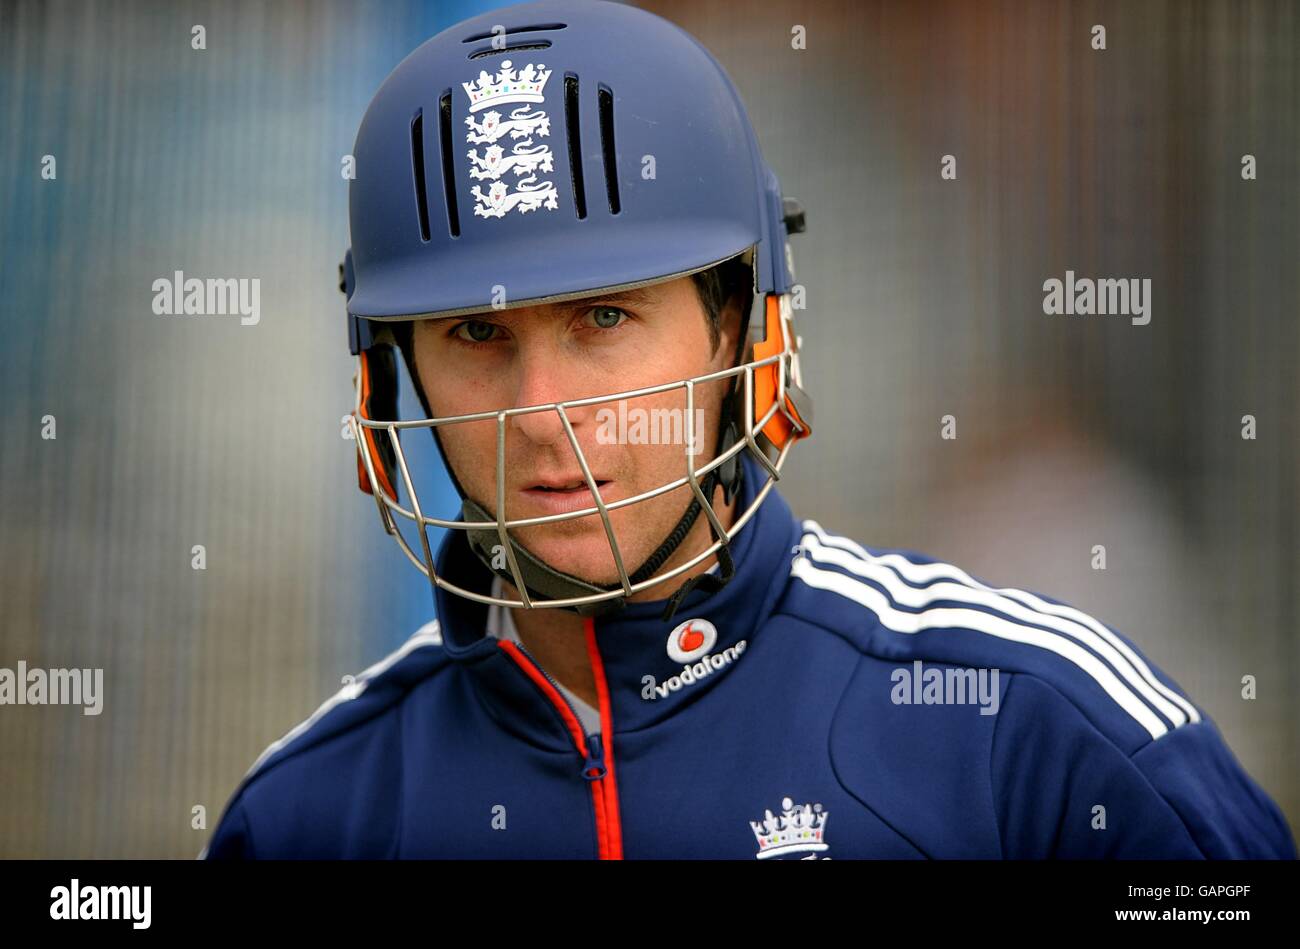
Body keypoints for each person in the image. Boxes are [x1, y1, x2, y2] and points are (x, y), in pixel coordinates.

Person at [203, 0, 1295, 859]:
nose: (541, 414)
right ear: (392, 370)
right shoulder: (310, 813)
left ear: (745, 332)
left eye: (603, 317)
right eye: (476, 332)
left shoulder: (1035, 732)